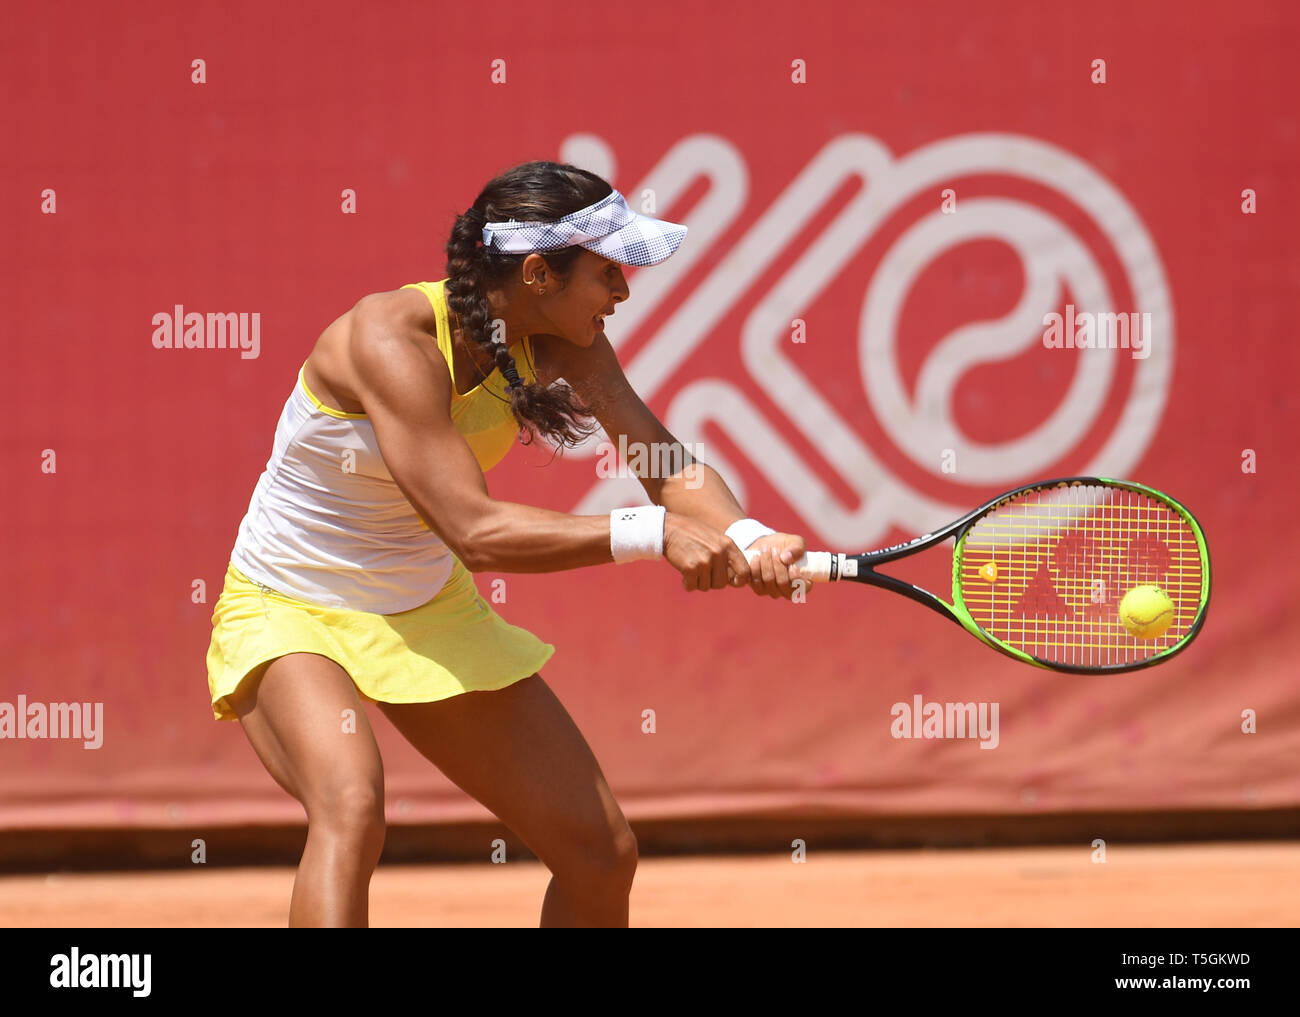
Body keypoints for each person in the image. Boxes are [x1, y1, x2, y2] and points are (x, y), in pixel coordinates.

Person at [205, 160, 807, 928]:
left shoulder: (562, 340)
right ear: (537, 273)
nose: (623, 292)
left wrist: (748, 535)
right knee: (351, 805)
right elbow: (476, 532)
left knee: (600, 851)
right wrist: (653, 533)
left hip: (424, 606)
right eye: (608, 271)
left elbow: (662, 461)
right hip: (292, 604)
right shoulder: (389, 342)